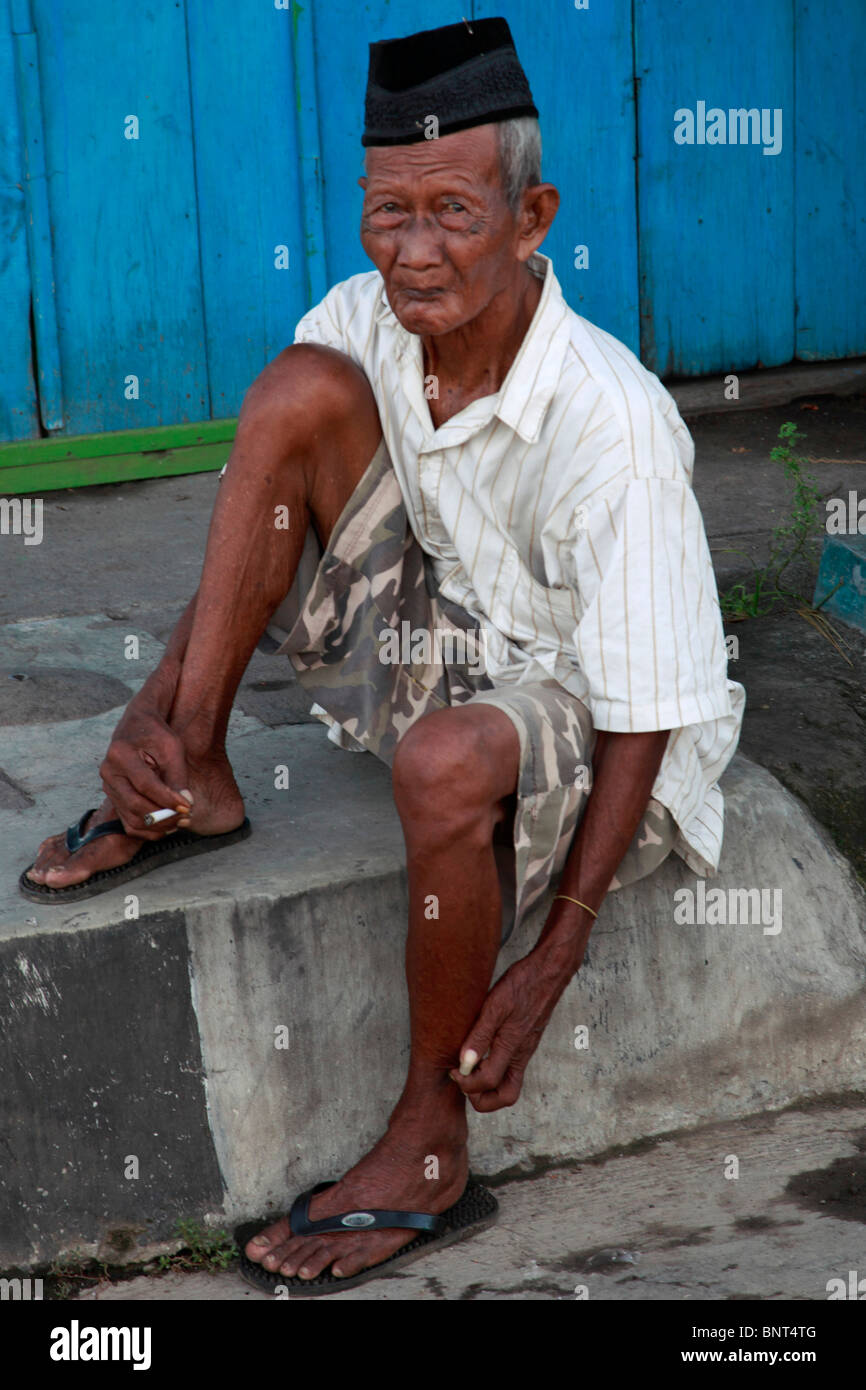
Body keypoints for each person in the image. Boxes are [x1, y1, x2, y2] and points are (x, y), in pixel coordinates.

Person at [20, 18, 744, 1295]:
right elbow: (266, 518)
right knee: (292, 391)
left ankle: (428, 1139)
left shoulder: (611, 422)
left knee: (447, 757)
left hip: (607, 720)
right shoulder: (364, 318)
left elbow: (650, 708)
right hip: (445, 641)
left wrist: (552, 956)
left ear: (533, 218)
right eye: (385, 213)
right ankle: (193, 771)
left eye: (453, 214)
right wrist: (156, 707)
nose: (413, 253)